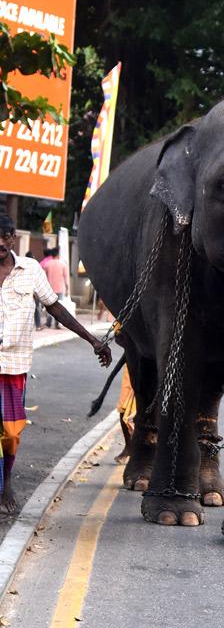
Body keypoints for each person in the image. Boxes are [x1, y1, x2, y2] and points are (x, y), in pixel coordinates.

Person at [0, 215, 111, 514]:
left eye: (4, 236)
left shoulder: (30, 270)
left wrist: (92, 338)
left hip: (13, 365)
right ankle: (1, 487)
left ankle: (5, 479)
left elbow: (55, 307)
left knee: (10, 433)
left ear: (12, 238)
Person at [42, 246, 69, 329]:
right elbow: (66, 278)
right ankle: (57, 324)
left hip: (49, 289)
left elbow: (43, 277)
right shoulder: (63, 264)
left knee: (50, 306)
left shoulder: (47, 264)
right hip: (60, 289)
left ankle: (48, 322)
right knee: (59, 307)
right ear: (58, 255)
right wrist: (67, 289)